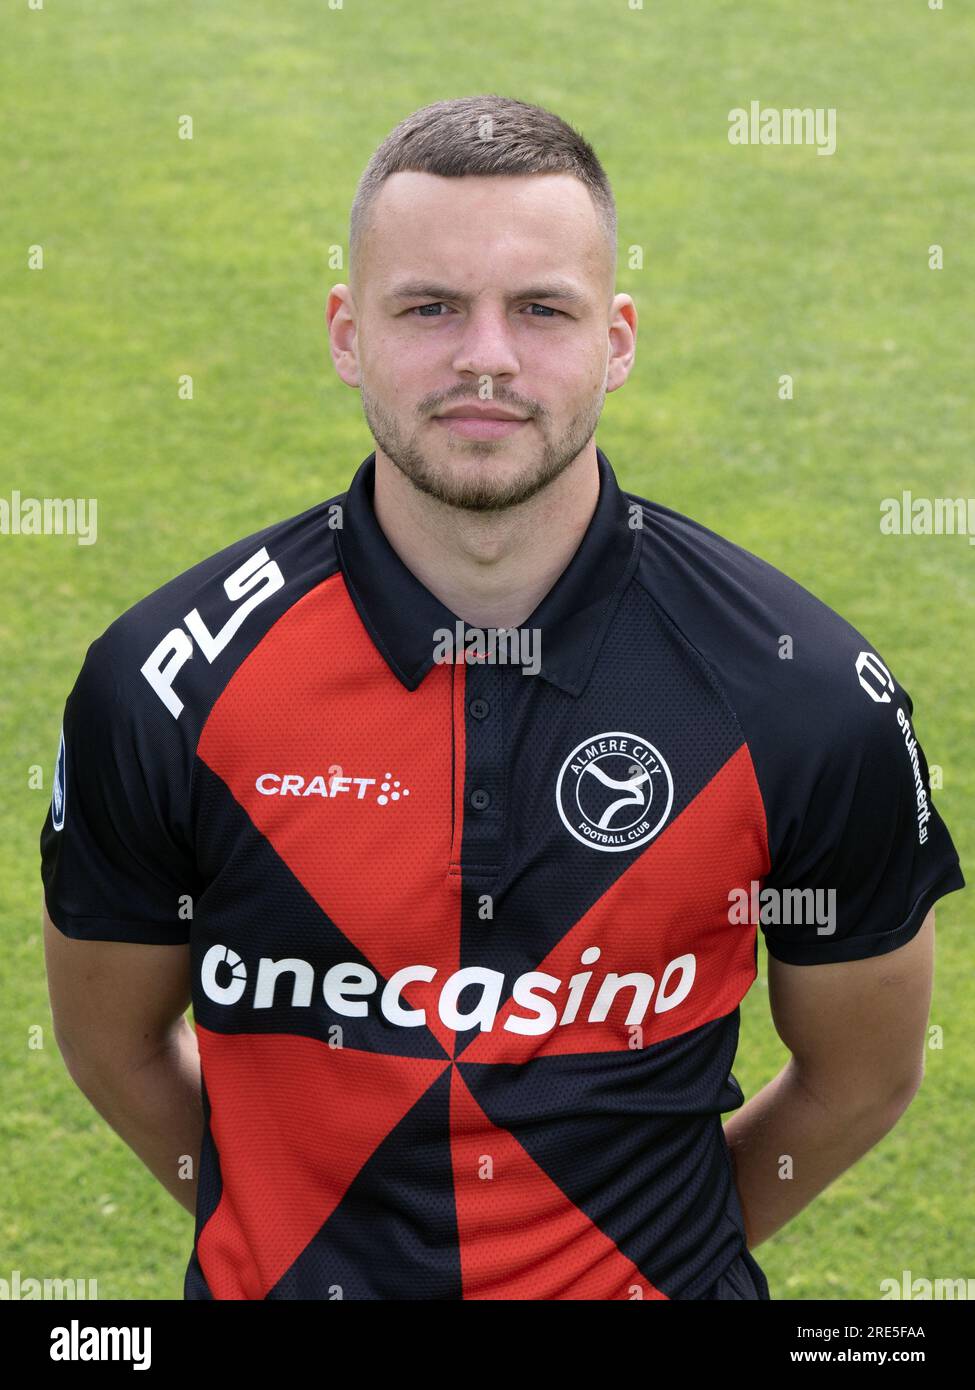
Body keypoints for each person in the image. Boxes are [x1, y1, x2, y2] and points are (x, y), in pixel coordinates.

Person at [40, 94, 965, 1301]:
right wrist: (283, 1239)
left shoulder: (804, 696)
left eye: (541, 308)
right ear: (346, 334)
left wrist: (656, 1257)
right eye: (428, 307)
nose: (487, 354)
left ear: (618, 339)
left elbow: (863, 1078)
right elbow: (110, 1043)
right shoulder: (163, 683)